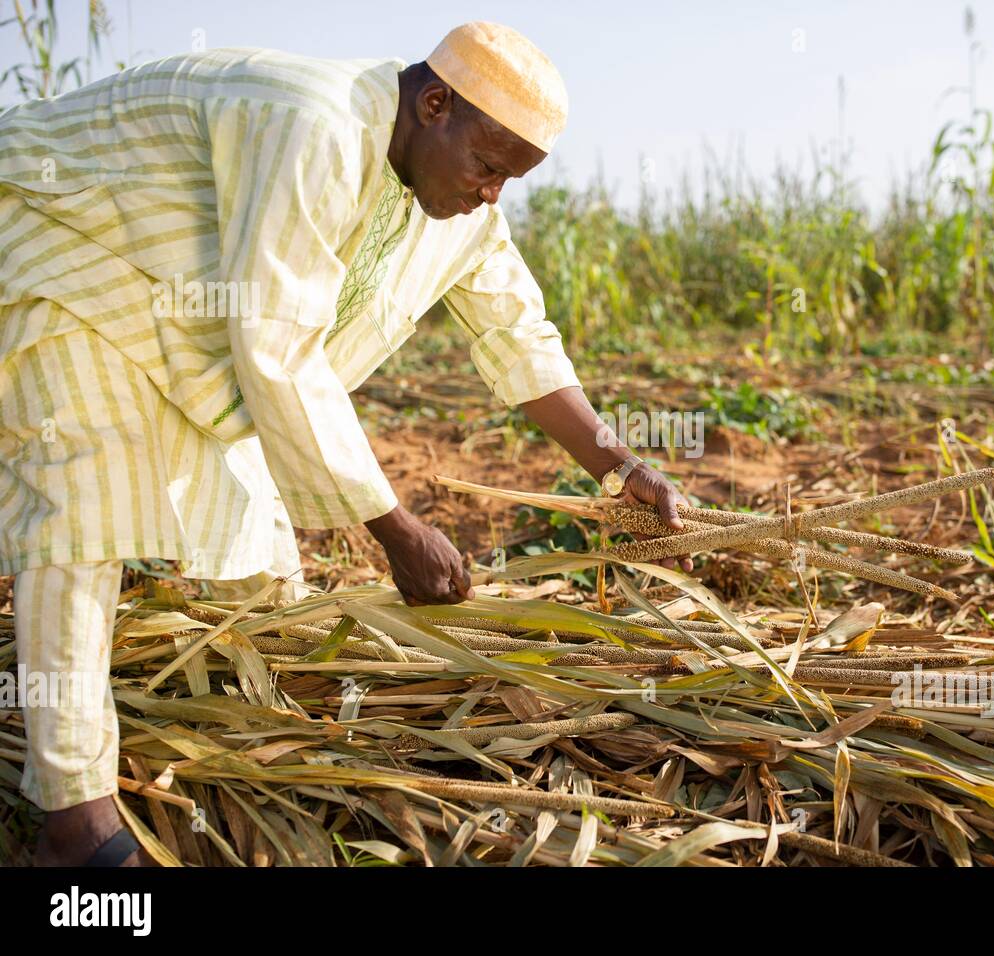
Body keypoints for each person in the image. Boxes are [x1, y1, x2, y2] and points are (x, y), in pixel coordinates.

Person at [0, 21, 688, 866]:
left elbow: (520, 334)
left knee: (263, 555)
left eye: (510, 179)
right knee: (82, 506)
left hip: (173, 312)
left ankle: (239, 733)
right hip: (62, 241)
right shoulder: (319, 124)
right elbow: (277, 348)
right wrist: (397, 528)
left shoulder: (459, 203)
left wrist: (620, 466)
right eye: (487, 166)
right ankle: (75, 818)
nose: (492, 195)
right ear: (433, 103)